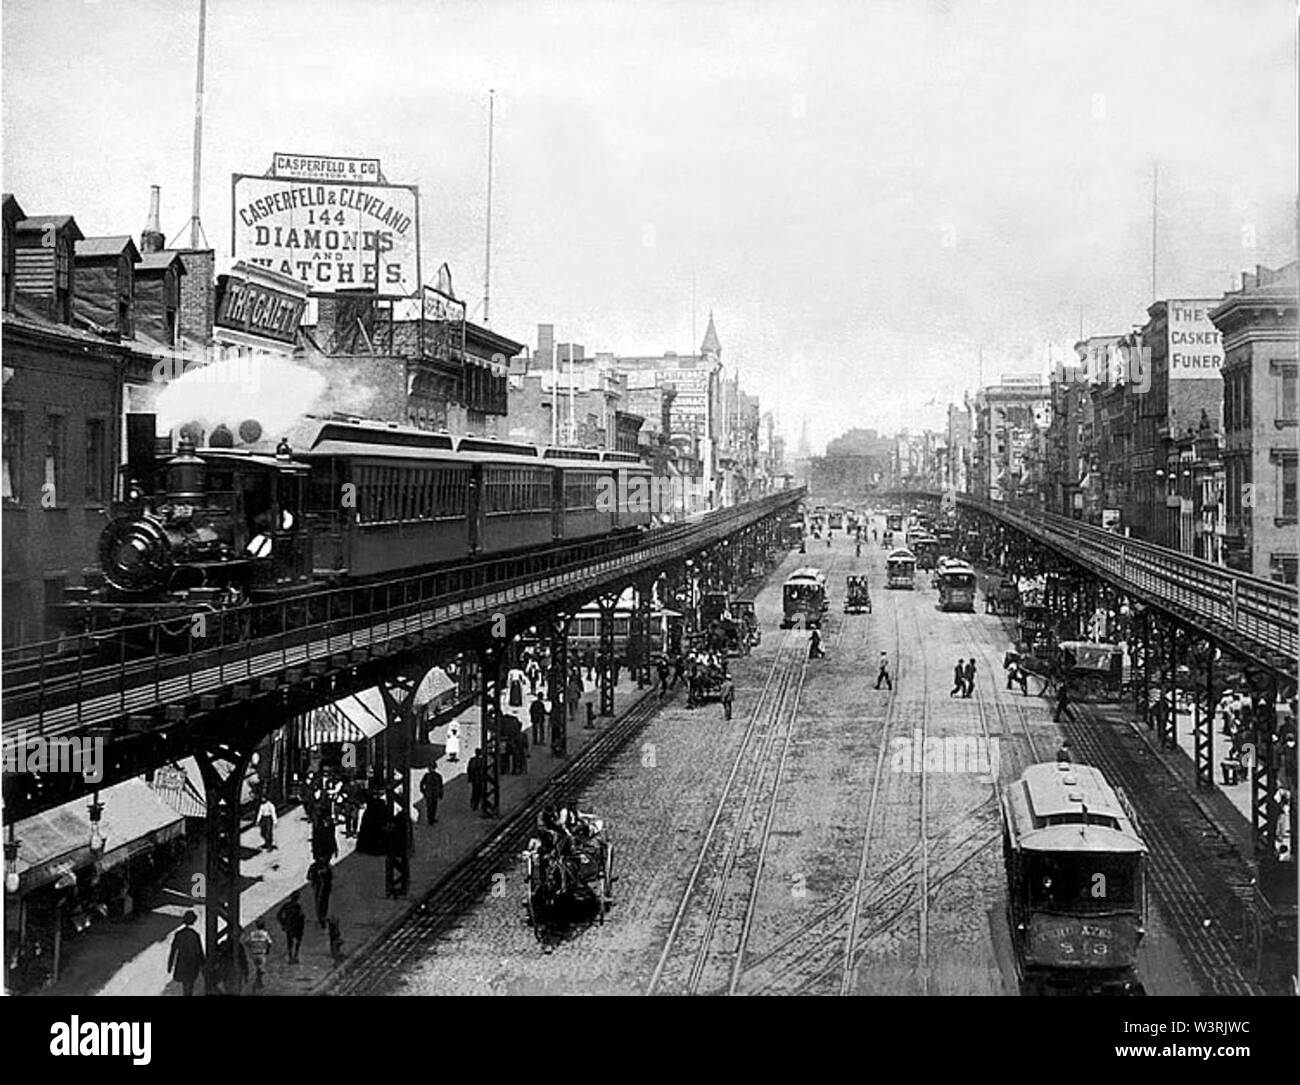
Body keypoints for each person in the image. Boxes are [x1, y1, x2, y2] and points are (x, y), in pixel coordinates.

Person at [168, 910, 205, 997]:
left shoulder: (179, 934)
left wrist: (170, 965)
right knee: (190, 984)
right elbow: (199, 952)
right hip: (192, 963)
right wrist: (203, 965)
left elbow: (173, 950)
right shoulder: (195, 935)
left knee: (185, 984)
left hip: (182, 962)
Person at [276, 891, 306, 963]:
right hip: (296, 926)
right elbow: (301, 917)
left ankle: (291, 956)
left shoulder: (287, 905)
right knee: (297, 942)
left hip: (290, 926)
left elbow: (279, 915)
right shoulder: (297, 906)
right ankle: (295, 955)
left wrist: (283, 923)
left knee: (290, 942)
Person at [245, 919, 272, 991]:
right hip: (262, 953)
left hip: (254, 953)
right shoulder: (265, 933)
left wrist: (251, 947)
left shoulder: (252, 933)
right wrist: (268, 949)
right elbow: (269, 942)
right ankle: (257, 982)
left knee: (257, 967)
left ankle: (259, 982)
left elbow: (246, 941)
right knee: (262, 969)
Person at [307, 860, 332, 929]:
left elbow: (308, 877)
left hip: (320, 887)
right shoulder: (323, 866)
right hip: (321, 887)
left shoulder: (315, 866)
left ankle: (322, 917)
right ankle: (321, 918)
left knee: (321, 902)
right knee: (322, 902)